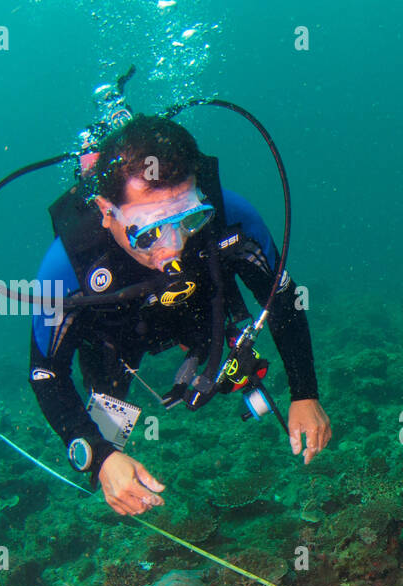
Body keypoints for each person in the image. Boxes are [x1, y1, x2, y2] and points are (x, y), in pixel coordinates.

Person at [29, 115, 331, 515]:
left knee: (226, 360)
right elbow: (46, 372)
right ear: (106, 210)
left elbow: (283, 299)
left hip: (199, 313)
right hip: (116, 337)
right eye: (149, 232)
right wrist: (99, 456)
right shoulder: (68, 265)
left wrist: (305, 392)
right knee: (106, 414)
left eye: (189, 219)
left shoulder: (231, 215)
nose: (173, 247)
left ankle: (205, 356)